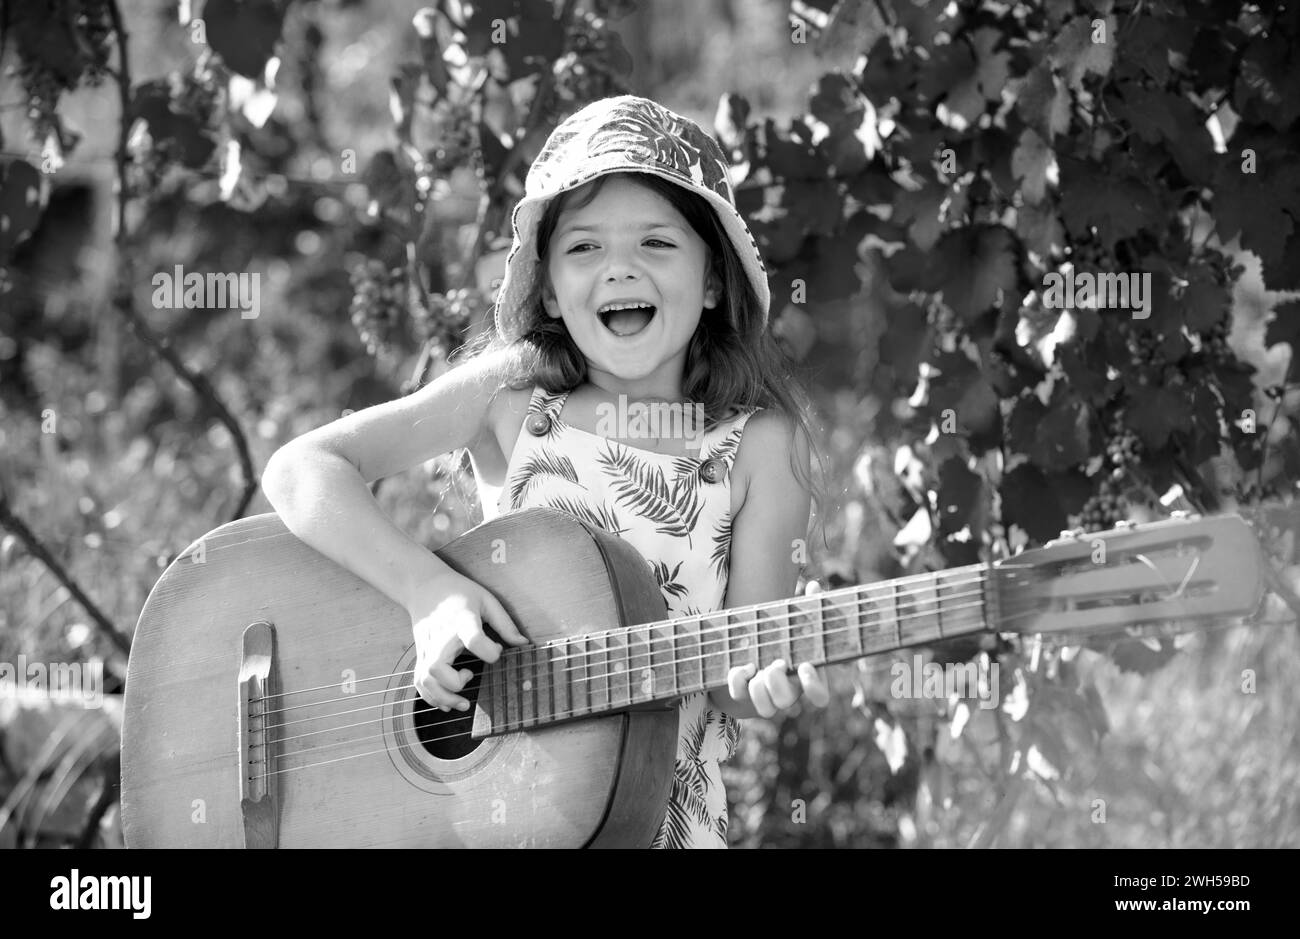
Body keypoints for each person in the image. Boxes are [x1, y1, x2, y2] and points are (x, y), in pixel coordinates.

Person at [263, 95, 831, 849]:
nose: (619, 268)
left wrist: (775, 675)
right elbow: (304, 469)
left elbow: (739, 675)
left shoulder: (761, 447)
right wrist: (427, 591)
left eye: (657, 242)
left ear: (713, 280)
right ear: (554, 291)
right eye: (583, 248)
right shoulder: (513, 402)